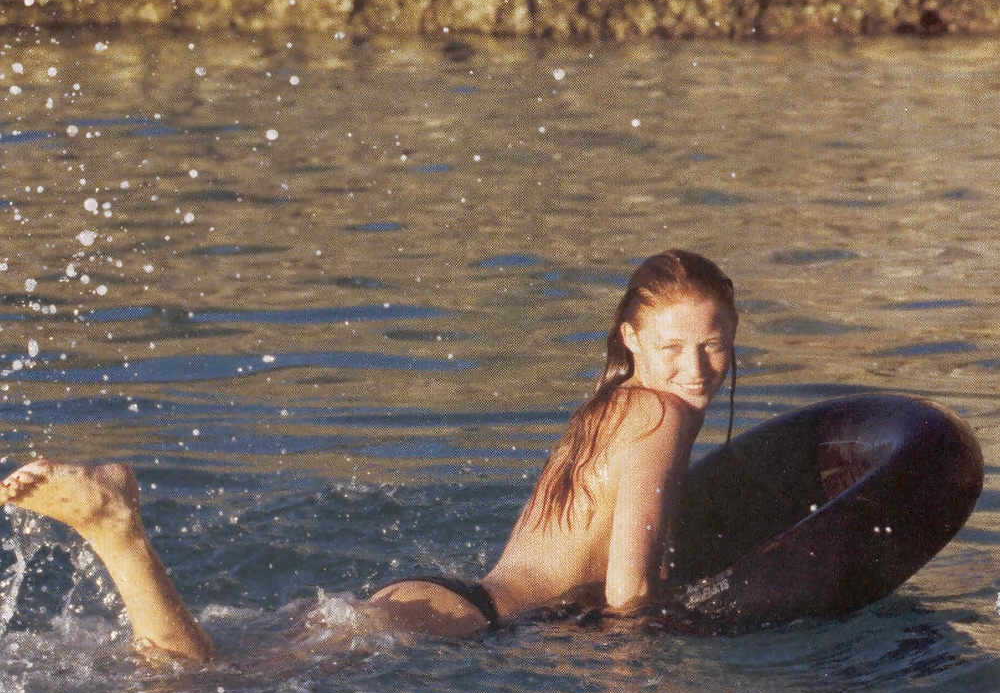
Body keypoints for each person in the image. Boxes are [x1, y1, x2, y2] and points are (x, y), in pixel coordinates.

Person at [0, 250, 737, 662]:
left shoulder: (609, 406)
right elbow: (628, 595)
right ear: (631, 339)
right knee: (202, 679)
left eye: (713, 344)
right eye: (673, 347)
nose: (695, 369)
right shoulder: (658, 415)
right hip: (473, 620)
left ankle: (114, 534)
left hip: (445, 596)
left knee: (197, 659)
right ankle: (116, 527)